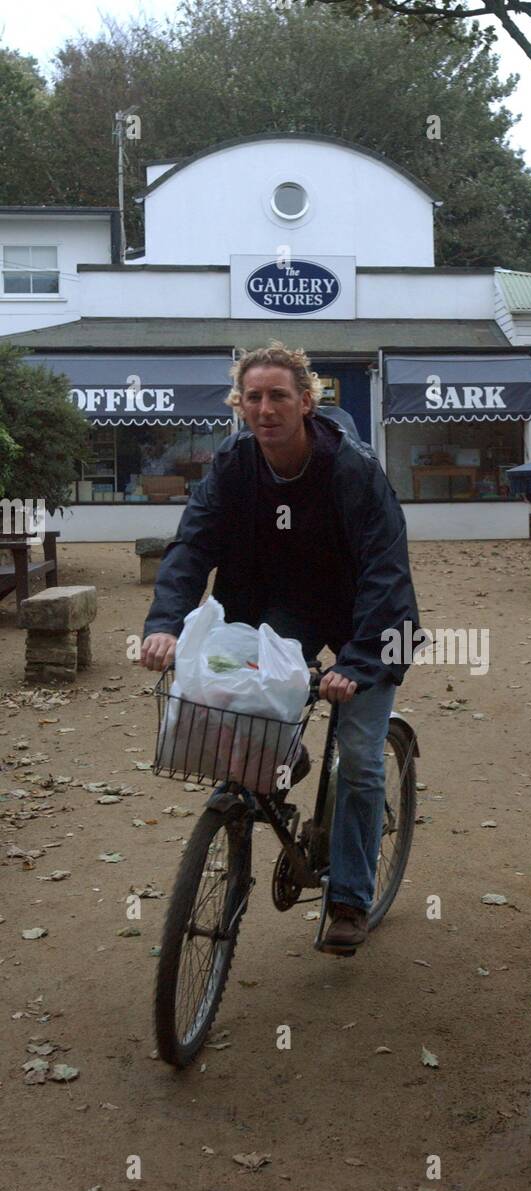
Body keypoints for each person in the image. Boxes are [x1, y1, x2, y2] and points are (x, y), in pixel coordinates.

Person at [140, 342, 420, 954]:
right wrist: (165, 623)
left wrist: (360, 662)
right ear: (239, 404)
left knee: (360, 759)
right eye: (254, 397)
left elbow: (384, 570)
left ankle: (349, 897)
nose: (265, 409)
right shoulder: (234, 464)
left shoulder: (353, 468)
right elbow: (192, 546)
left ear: (306, 401)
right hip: (279, 608)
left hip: (361, 615)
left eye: (279, 396)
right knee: (238, 707)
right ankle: (280, 757)